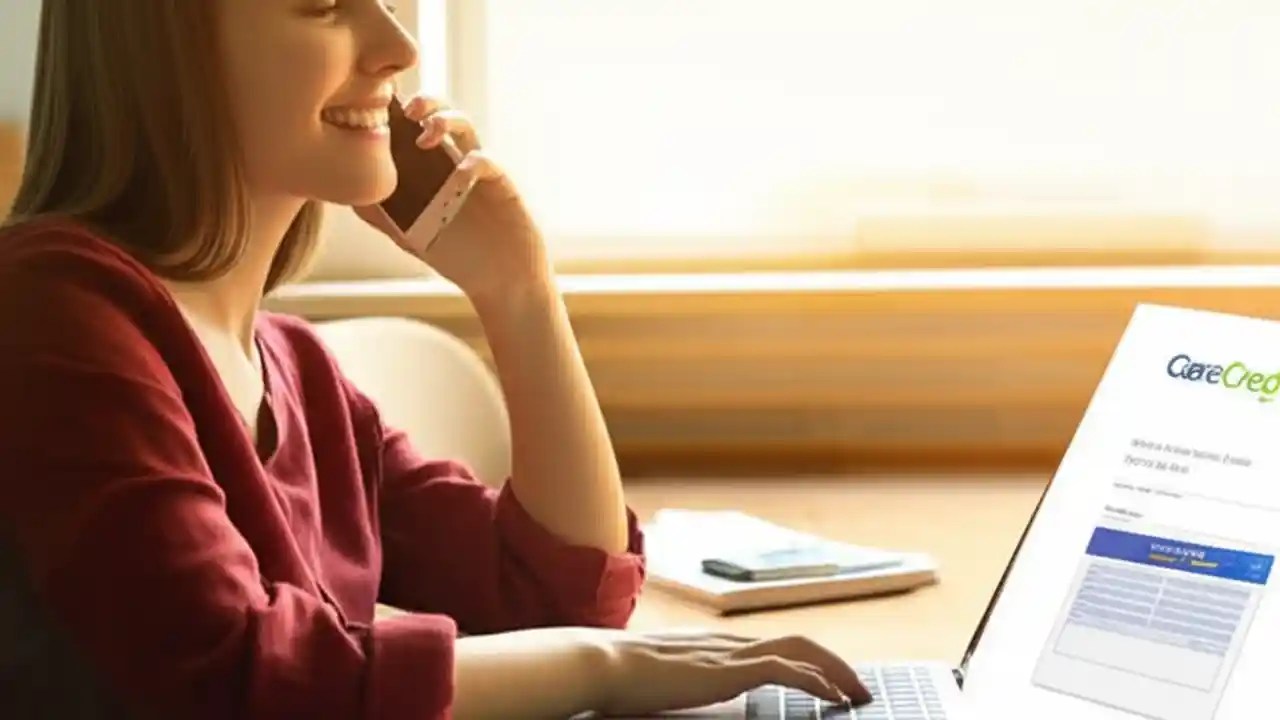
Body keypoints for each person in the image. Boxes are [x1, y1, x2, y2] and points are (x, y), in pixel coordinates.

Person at [0, 1, 873, 718]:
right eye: (324, 6)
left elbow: (556, 590)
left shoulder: (296, 368)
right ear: (166, 50)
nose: (398, 46)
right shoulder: (53, 306)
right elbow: (240, 673)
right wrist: (600, 666)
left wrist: (520, 291)